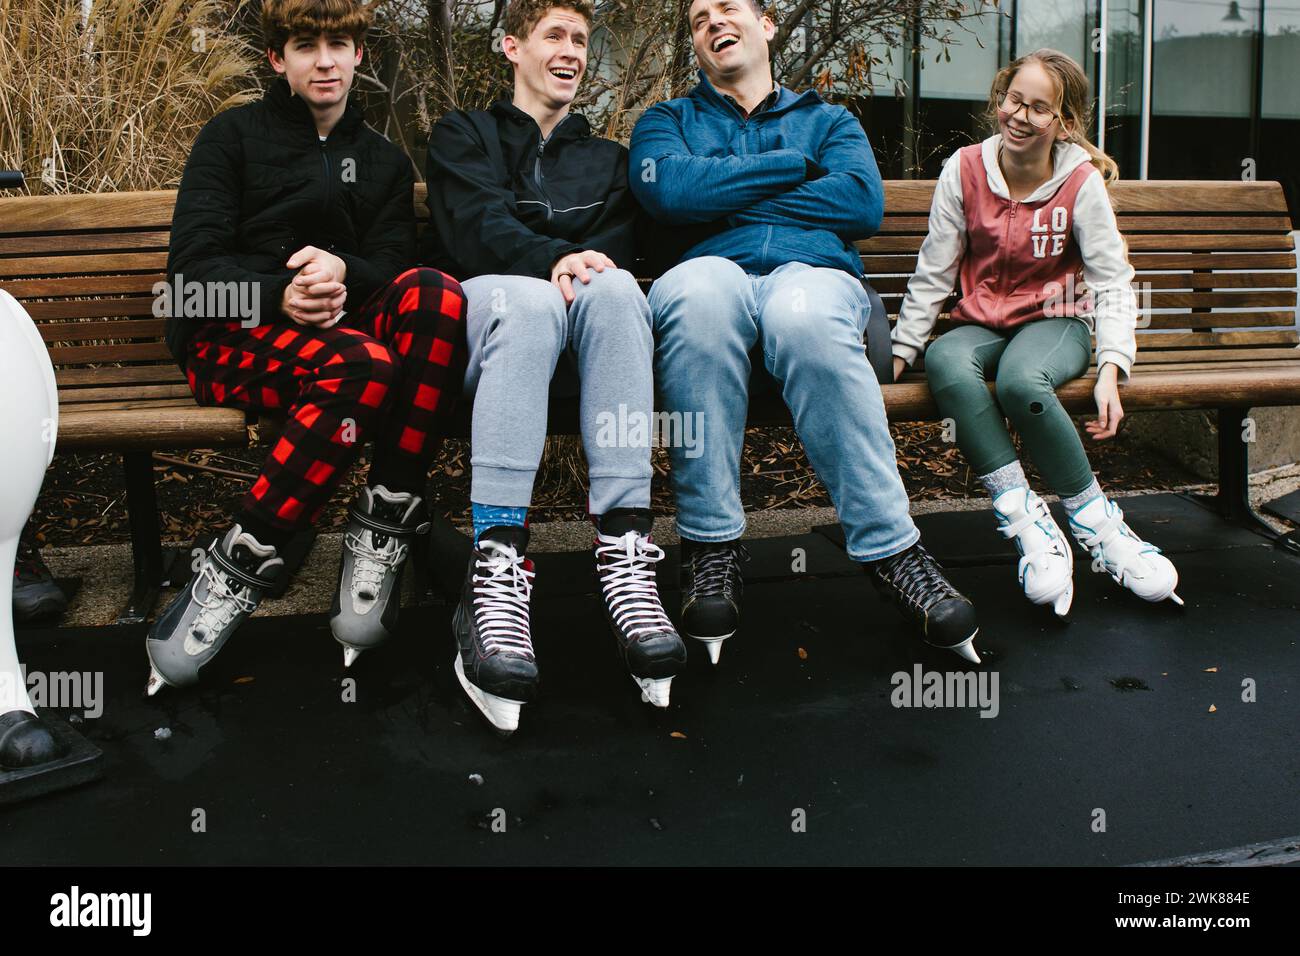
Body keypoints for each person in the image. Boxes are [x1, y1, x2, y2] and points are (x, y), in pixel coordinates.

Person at [629, 0, 980, 665]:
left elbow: (860, 202)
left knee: (802, 313)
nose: (712, 21)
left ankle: (893, 551)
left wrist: (721, 190)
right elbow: (668, 193)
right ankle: (710, 548)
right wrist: (794, 166)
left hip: (812, 275)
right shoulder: (667, 120)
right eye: (699, 16)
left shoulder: (830, 119)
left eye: (727, 7)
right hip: (710, 274)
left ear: (766, 25)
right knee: (700, 298)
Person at [147, 0, 469, 695]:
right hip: (231, 338)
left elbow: (390, 263)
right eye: (305, 45)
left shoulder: (381, 161)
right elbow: (186, 279)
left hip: (338, 341)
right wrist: (277, 294)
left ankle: (383, 524)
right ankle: (233, 567)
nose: (324, 60)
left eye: (339, 44)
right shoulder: (231, 138)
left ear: (361, 54)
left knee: (438, 294)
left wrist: (345, 271)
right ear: (277, 58)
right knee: (362, 365)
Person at [423, 0, 686, 734]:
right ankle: (497, 563)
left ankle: (626, 550)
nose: (571, 49)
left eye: (580, 39)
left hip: (579, 335)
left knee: (616, 291)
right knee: (534, 302)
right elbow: (475, 228)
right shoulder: (464, 134)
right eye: (554, 36)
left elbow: (612, 245)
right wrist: (550, 257)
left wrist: (577, 266)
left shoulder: (608, 160)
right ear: (513, 46)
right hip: (488, 323)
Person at [893, 49, 1180, 616]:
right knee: (947, 360)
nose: (1019, 116)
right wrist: (903, 347)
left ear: (1064, 122)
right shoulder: (966, 169)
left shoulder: (1080, 183)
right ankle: (1027, 521)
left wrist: (1112, 367)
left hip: (1057, 323)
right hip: (981, 324)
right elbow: (936, 267)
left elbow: (1113, 281)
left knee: (1025, 381)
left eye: (1038, 108)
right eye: (1013, 100)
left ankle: (1102, 529)